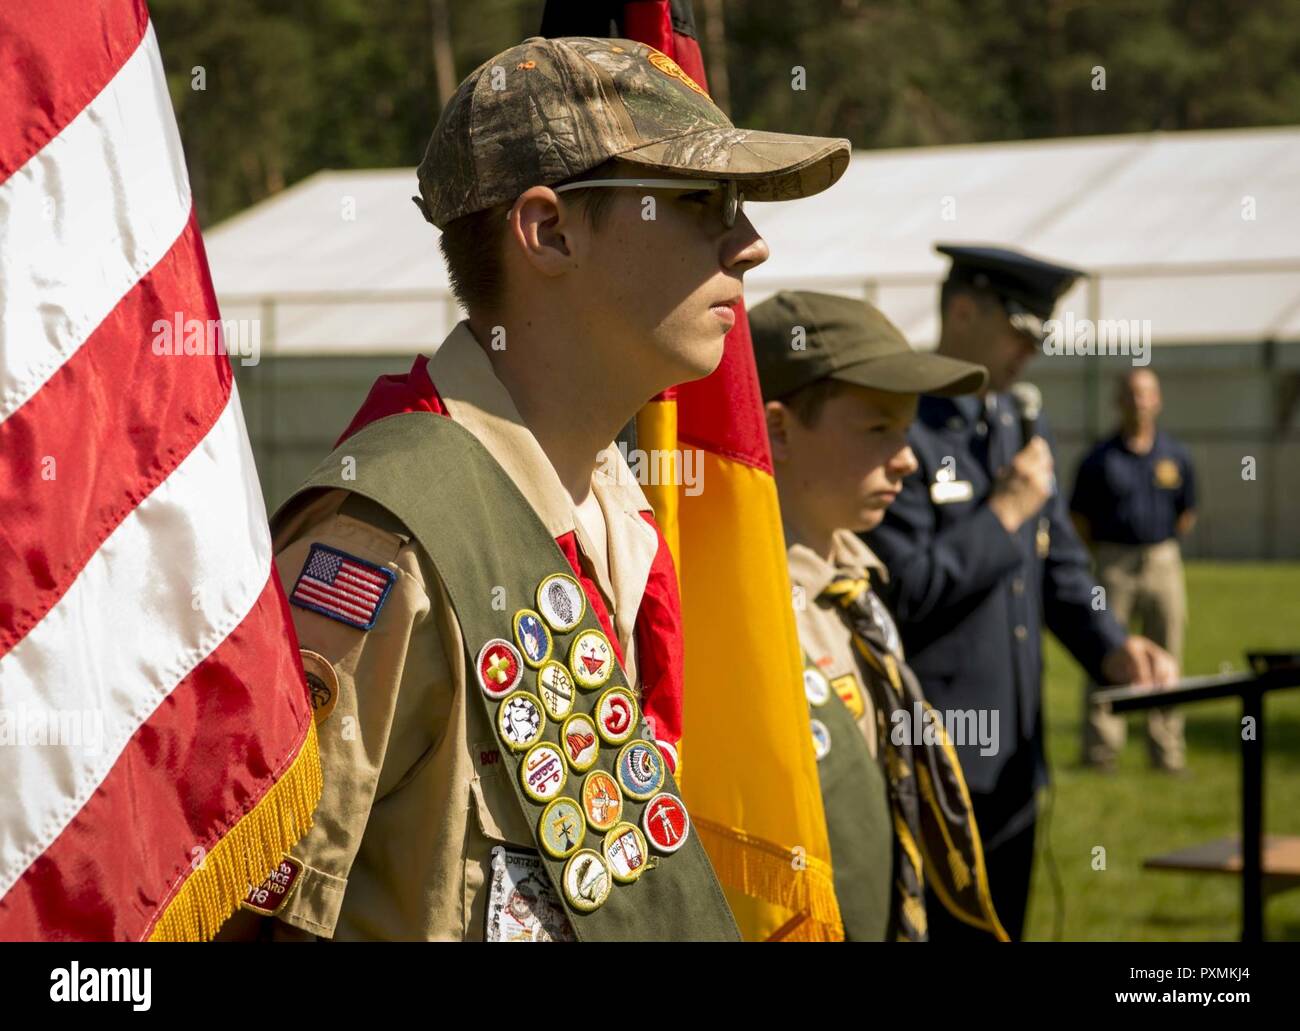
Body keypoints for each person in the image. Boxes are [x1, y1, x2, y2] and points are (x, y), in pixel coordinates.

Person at [218, 35, 850, 941]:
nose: (750, 244)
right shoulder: (388, 541)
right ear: (550, 230)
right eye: (700, 202)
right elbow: (251, 914)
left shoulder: (616, 514)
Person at [864, 244, 1179, 941]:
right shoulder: (897, 425)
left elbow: (1062, 570)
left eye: (1040, 336)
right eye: (1020, 331)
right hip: (930, 762)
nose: (1029, 353)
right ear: (964, 311)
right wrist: (1002, 515)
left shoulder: (1016, 426)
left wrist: (1115, 647)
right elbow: (903, 592)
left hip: (1013, 763)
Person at [750, 290, 1007, 941]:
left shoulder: (856, 586)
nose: (909, 457)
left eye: (908, 428)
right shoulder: (748, 614)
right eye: (878, 428)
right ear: (777, 428)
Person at [1071, 369, 1196, 773]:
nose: (1139, 402)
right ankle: (1100, 752)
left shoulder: (1175, 455)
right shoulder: (1098, 459)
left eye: (1146, 395)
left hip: (1162, 561)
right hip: (1114, 565)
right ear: (1118, 401)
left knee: (1167, 655)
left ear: (1157, 401)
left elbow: (1186, 512)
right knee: (1108, 652)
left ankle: (1166, 753)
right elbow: (1079, 519)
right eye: (1131, 394)